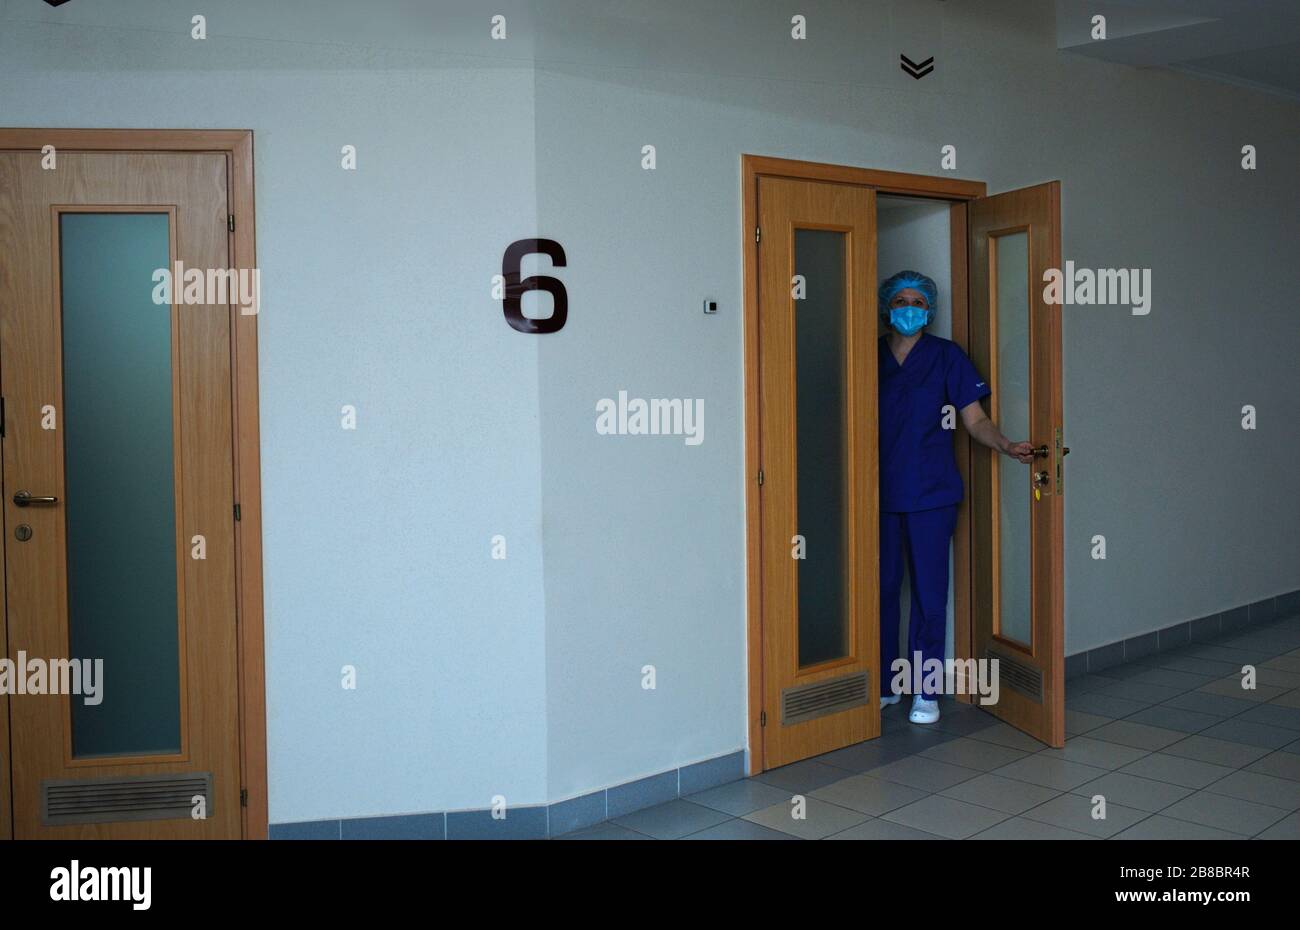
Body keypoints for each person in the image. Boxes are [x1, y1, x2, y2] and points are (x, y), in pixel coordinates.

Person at [877, 270, 1034, 724]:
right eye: (901, 300)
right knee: (881, 590)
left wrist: (1006, 444)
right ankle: (888, 683)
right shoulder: (867, 354)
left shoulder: (947, 357)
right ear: (888, 306)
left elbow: (974, 420)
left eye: (918, 301)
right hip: (878, 493)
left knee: (929, 593)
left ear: (930, 309)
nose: (909, 307)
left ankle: (925, 688)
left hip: (931, 492)